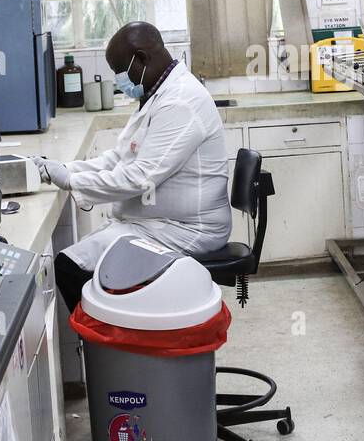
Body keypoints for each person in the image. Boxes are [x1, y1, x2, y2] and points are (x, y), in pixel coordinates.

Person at [35, 21, 231, 313]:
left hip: (187, 229)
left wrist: (72, 183)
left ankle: (113, 351)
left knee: (70, 268)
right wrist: (67, 169)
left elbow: (141, 178)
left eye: (119, 71)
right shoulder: (156, 94)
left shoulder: (180, 101)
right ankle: (107, 348)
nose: (118, 80)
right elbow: (119, 158)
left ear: (141, 59)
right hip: (156, 223)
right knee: (72, 261)